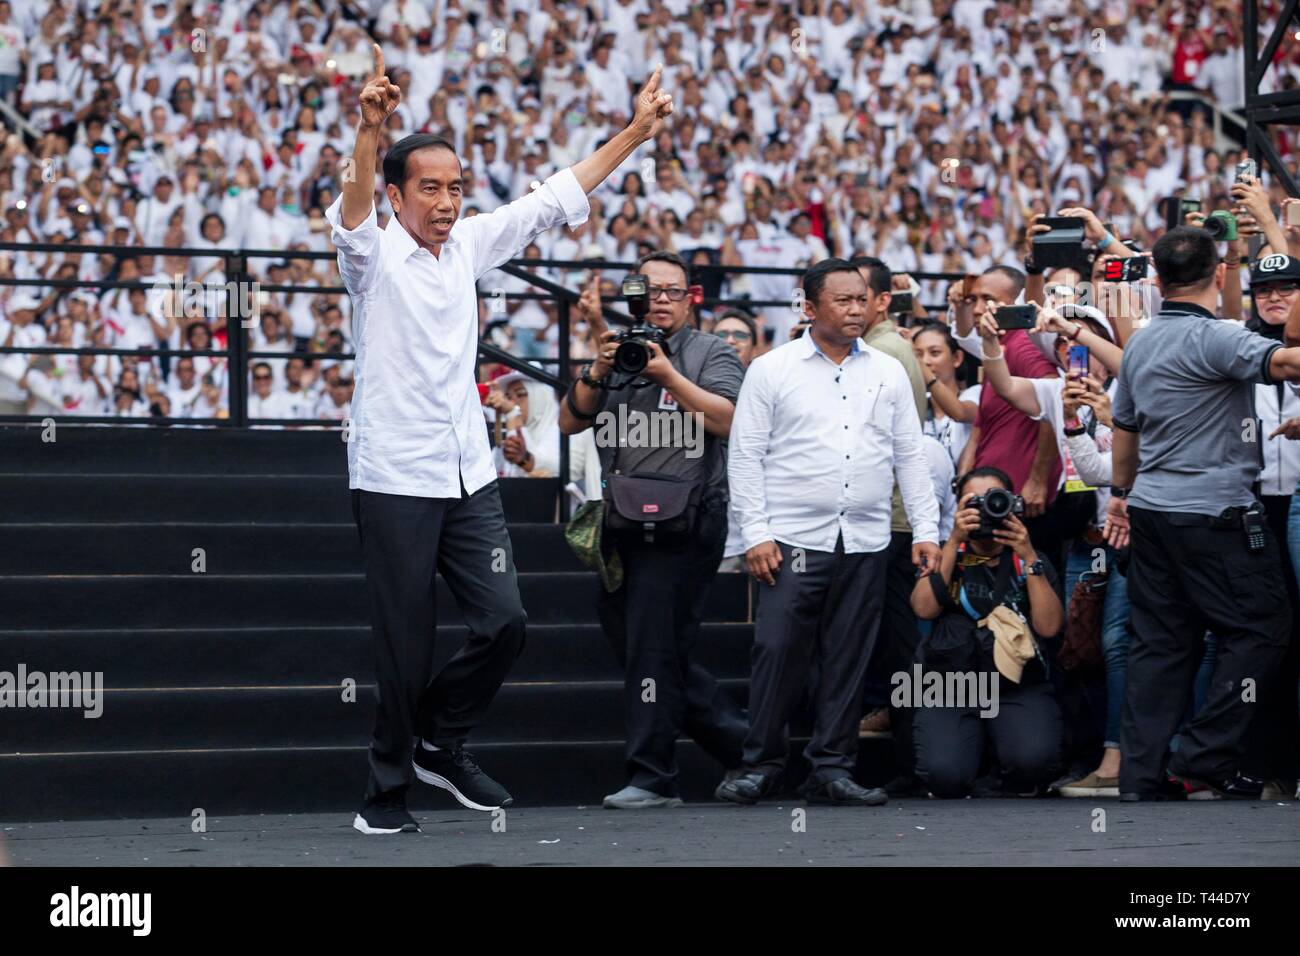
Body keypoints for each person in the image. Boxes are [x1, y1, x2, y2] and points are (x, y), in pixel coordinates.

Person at [332, 46, 675, 835]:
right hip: (393, 476)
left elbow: (554, 198)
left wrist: (634, 133)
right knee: (403, 645)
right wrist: (368, 129)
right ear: (397, 193)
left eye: (456, 187)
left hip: (467, 473)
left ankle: (439, 740)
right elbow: (352, 210)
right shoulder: (373, 253)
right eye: (431, 188)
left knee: (506, 620)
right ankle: (384, 795)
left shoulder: (472, 245)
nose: (448, 202)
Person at [718, 258, 941, 806]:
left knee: (849, 656)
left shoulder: (888, 370)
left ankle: (833, 768)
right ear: (809, 307)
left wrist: (927, 528)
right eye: (842, 300)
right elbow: (745, 457)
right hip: (790, 537)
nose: (855, 309)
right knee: (777, 650)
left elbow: (910, 456)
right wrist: (755, 533)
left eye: (861, 299)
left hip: (865, 538)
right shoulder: (772, 369)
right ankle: (762, 764)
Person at [1106, 225, 1300, 801]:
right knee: (1265, 628)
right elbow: (1288, 364)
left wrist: (1120, 495)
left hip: (1151, 512)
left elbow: (1125, 432)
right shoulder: (1217, 338)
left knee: (1159, 645)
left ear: (1159, 281)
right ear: (1218, 276)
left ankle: (1140, 775)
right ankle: (1203, 754)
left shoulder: (1140, 343)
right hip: (1216, 514)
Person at [558, 250, 749, 810]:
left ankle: (652, 776)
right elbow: (572, 420)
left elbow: (727, 419)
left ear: (692, 298)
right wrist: (598, 368)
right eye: (651, 290)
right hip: (621, 522)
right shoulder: (619, 348)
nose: (661, 299)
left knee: (652, 648)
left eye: (673, 290)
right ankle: (748, 746)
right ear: (635, 295)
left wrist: (666, 373)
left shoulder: (711, 350)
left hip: (686, 521)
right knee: (647, 648)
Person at [909, 466, 1065, 797]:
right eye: (973, 503)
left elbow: (1049, 627)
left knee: (1032, 766)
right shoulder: (946, 553)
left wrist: (1028, 554)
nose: (984, 511)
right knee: (943, 776)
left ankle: (1002, 763)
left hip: (1016, 683)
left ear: (1011, 504)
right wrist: (953, 541)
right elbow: (924, 608)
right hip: (951, 683)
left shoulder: (1028, 559)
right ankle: (967, 760)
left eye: (993, 501)